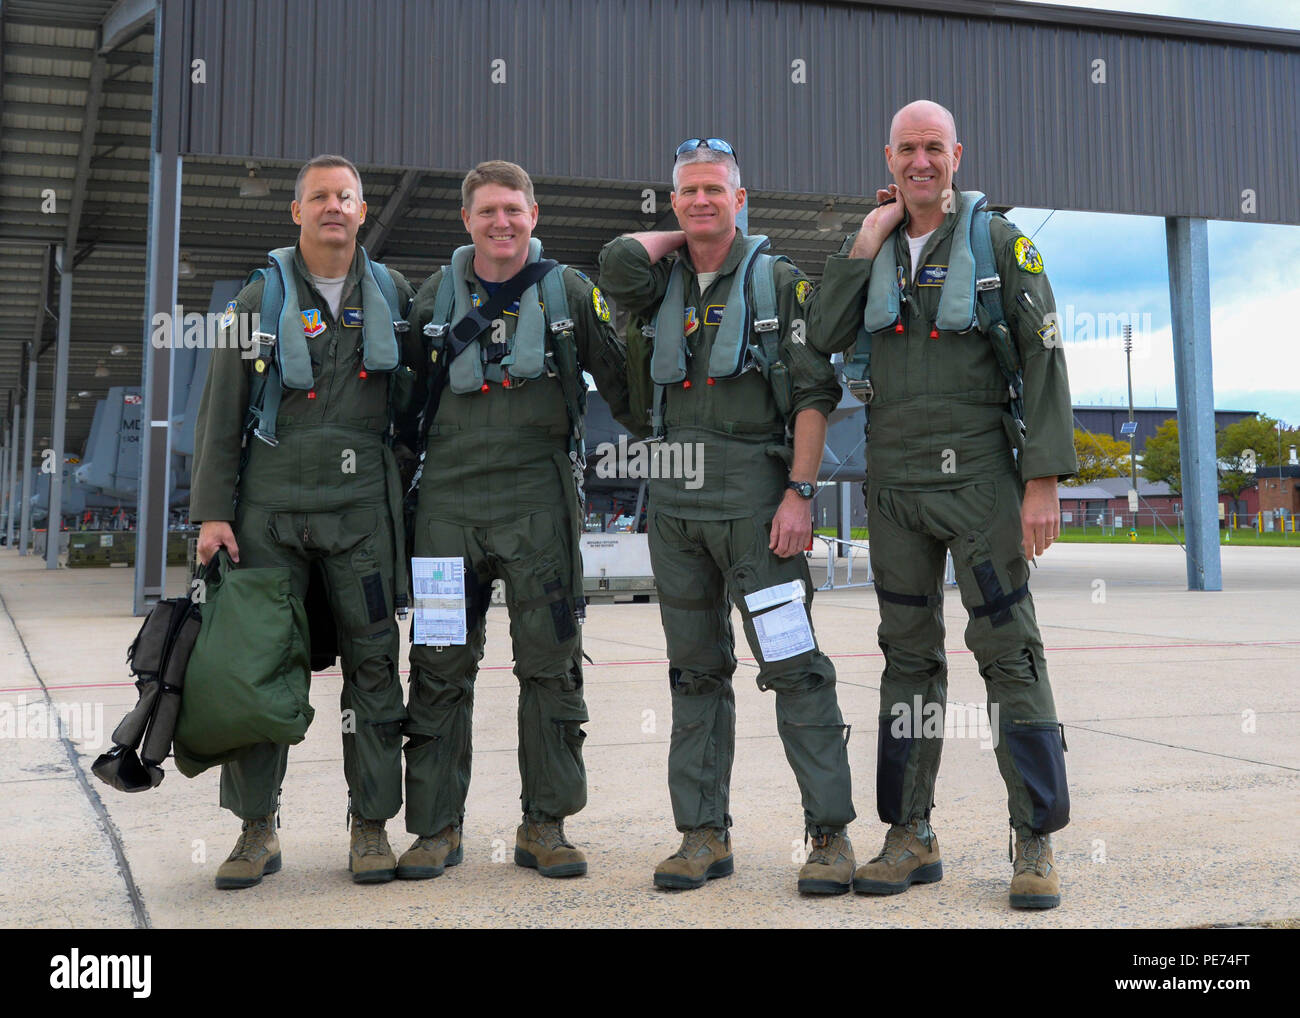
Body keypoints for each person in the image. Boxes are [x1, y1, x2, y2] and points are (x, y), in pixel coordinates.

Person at [807, 100, 1077, 908]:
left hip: (982, 481)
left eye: (933, 147)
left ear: (957, 154)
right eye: (907, 149)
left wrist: (1042, 481)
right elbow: (823, 331)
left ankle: (1034, 839)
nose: (920, 162)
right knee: (907, 660)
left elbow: (1045, 357)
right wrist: (864, 239)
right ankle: (910, 835)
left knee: (1009, 652)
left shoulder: (999, 244)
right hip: (894, 486)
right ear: (887, 158)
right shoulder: (875, 248)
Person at [599, 139, 856, 894]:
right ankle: (702, 834)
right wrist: (683, 236)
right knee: (694, 674)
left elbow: (813, 396)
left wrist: (800, 494)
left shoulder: (778, 282)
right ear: (672, 202)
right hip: (675, 505)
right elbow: (616, 262)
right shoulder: (660, 284)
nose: (702, 201)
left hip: (756, 504)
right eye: (688, 191)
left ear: (742, 199)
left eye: (716, 189)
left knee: (793, 666)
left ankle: (829, 835)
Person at [399, 160, 638, 880]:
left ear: (534, 215)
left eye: (513, 209)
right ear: (466, 220)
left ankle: (546, 826)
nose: (501, 222)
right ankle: (436, 829)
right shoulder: (432, 299)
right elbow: (396, 408)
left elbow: (630, 391)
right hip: (446, 510)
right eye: (487, 211)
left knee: (551, 665)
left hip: (539, 507)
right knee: (438, 665)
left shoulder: (570, 294)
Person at [192, 154, 416, 888]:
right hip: (269, 513)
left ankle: (371, 824)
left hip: (363, 515)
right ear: (297, 211)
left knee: (374, 665)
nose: (332, 207)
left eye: (345, 196)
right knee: (260, 665)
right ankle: (257, 829)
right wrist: (212, 513)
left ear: (361, 211)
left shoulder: (394, 294)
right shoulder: (254, 304)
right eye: (319, 196)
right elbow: (219, 415)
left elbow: (415, 408)